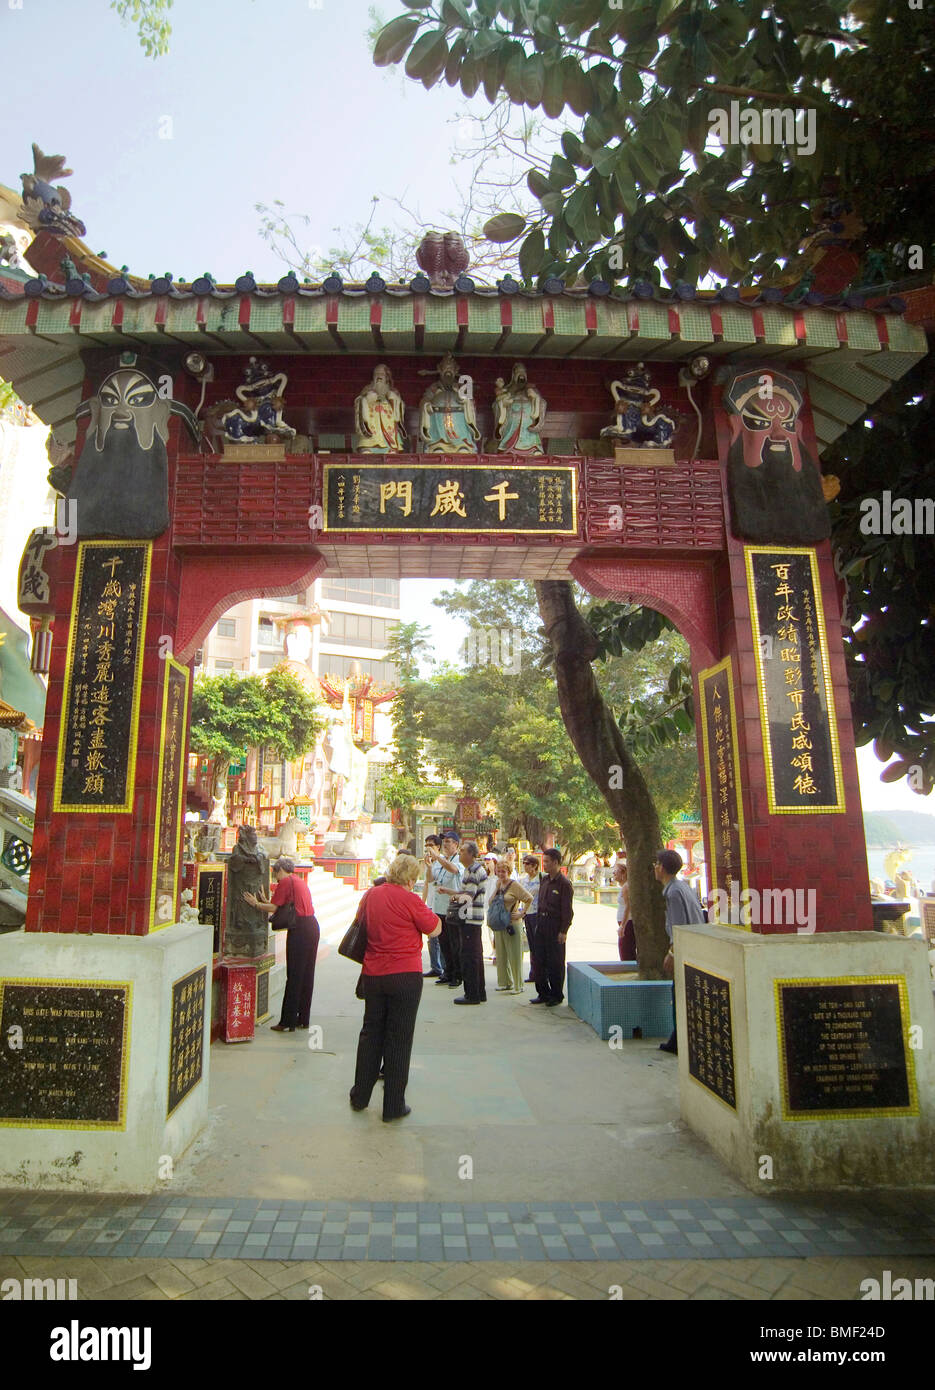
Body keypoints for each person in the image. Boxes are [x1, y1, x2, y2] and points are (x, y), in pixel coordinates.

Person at [349, 854, 441, 1121]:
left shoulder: (371, 895)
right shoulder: (410, 899)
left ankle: (360, 1096)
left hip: (374, 974)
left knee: (371, 1032)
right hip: (405, 975)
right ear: (411, 879)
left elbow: (361, 922)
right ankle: (393, 1106)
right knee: (399, 1038)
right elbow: (434, 929)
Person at [243, 857, 320, 1033]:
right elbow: (281, 903)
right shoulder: (297, 880)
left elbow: (274, 908)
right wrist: (265, 900)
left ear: (279, 870)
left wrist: (256, 904)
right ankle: (303, 1018)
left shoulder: (285, 881)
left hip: (300, 929)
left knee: (294, 975)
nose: (276, 878)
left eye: (275, 874)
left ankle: (287, 1021)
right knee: (307, 974)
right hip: (312, 926)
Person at [654, 848, 707, 1056]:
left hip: (687, 949)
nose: (654, 868)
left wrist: (672, 953)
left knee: (680, 994)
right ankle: (680, 1038)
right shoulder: (679, 887)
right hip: (694, 945)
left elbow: (679, 926)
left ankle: (679, 1040)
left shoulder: (674, 892)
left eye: (656, 864)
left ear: (663, 868)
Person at [531, 848, 574, 1006]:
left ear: (556, 862)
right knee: (539, 961)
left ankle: (556, 995)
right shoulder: (545, 880)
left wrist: (563, 930)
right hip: (541, 924)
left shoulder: (564, 884)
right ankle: (543, 993)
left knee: (555, 962)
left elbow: (567, 910)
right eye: (544, 861)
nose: (545, 864)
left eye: (547, 861)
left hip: (555, 926)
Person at [452, 841, 488, 1005]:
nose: (460, 854)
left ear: (471, 854)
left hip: (470, 917)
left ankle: (472, 993)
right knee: (475, 955)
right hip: (472, 917)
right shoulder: (470, 870)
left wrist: (456, 897)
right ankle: (479, 991)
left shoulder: (473, 870)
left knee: (469, 956)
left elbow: (468, 896)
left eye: (463, 851)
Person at [490, 859, 532, 994]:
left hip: (512, 923)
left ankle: (518, 985)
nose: (501, 874)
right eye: (499, 871)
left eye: (504, 871)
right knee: (501, 954)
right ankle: (504, 982)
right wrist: (497, 888)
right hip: (499, 923)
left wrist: (521, 913)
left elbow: (528, 898)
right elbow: (491, 900)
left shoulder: (514, 885)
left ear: (509, 872)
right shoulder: (498, 884)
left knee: (514, 955)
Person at [429, 831, 465, 988]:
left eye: (449, 841)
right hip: (440, 906)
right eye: (444, 841)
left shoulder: (459, 860)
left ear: (456, 845)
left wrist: (438, 858)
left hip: (453, 906)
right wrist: (430, 865)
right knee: (443, 942)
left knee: (455, 943)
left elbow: (453, 870)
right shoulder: (441, 860)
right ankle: (447, 971)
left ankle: (458, 974)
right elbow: (431, 878)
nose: (445, 844)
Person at [420, 834, 446, 978]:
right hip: (430, 903)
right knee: (431, 937)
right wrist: (422, 903)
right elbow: (427, 883)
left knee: (441, 937)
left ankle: (444, 967)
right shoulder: (429, 863)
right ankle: (435, 966)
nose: (429, 848)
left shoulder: (443, 862)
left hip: (441, 904)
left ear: (438, 847)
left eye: (431, 845)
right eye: (427, 846)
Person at [518, 853, 541, 983]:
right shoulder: (523, 880)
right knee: (531, 944)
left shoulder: (541, 878)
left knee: (539, 945)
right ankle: (534, 973)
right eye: (524, 863)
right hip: (527, 914)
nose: (525, 866)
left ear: (534, 866)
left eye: (527, 864)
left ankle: (541, 972)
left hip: (538, 913)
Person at [614, 860, 637, 962]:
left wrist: (623, 925)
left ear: (623, 873)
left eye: (616, 871)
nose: (614, 873)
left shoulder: (627, 887)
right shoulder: (624, 886)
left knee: (625, 951)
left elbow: (628, 906)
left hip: (628, 924)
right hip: (625, 923)